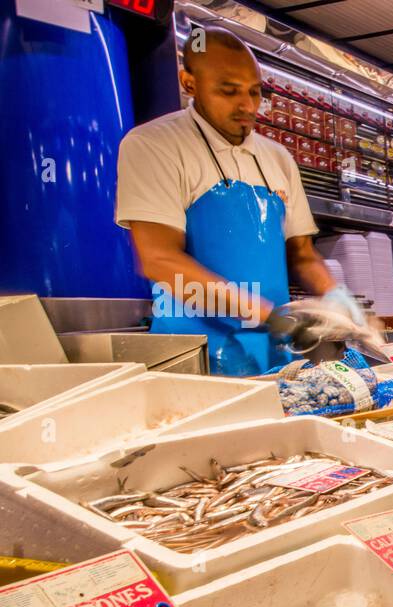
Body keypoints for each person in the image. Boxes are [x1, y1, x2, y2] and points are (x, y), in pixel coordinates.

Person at [115, 27, 364, 376]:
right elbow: (159, 259)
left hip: (274, 352)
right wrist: (268, 315)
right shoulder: (152, 145)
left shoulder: (277, 158)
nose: (247, 106)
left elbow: (302, 254)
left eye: (254, 92)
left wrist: (335, 296)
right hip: (196, 355)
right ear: (189, 84)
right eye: (229, 91)